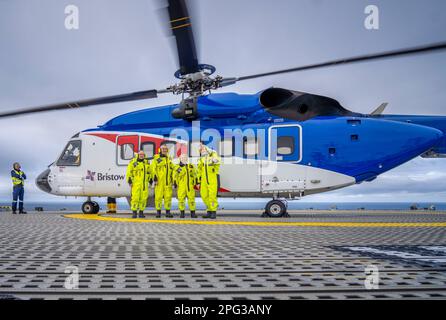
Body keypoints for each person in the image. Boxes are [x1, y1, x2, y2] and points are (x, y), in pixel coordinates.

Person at [197, 142, 221, 219]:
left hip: (212, 179)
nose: (202, 149)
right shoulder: (201, 159)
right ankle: (209, 210)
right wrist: (198, 181)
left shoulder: (213, 156)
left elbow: (217, 159)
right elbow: (199, 171)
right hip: (203, 180)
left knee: (212, 196)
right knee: (204, 195)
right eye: (201, 149)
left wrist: (205, 148)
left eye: (203, 148)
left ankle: (213, 212)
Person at [151, 145, 175, 218]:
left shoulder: (169, 159)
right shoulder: (156, 158)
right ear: (160, 150)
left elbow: (173, 169)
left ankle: (168, 212)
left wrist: (173, 179)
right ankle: (158, 212)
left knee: (168, 197)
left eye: (165, 149)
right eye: (163, 149)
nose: (164, 150)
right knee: (158, 197)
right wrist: (155, 177)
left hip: (168, 181)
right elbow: (153, 168)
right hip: (159, 181)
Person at [126, 151, 151, 218]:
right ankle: (134, 212)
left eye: (143, 154)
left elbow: (149, 171)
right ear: (138, 155)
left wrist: (150, 179)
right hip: (136, 183)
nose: (141, 155)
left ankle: (141, 213)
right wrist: (130, 181)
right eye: (140, 154)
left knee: (143, 198)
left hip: (144, 184)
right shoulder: (133, 162)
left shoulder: (147, 162)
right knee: (135, 198)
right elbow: (129, 172)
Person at [173, 154, 198, 218]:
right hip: (181, 186)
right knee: (181, 199)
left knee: (192, 199)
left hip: (190, 186)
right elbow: (175, 175)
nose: (184, 159)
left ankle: (193, 213)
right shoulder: (177, 167)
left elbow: (195, 174)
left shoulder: (191, 166)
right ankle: (182, 213)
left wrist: (196, 182)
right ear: (180, 159)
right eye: (182, 158)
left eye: (185, 158)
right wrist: (175, 182)